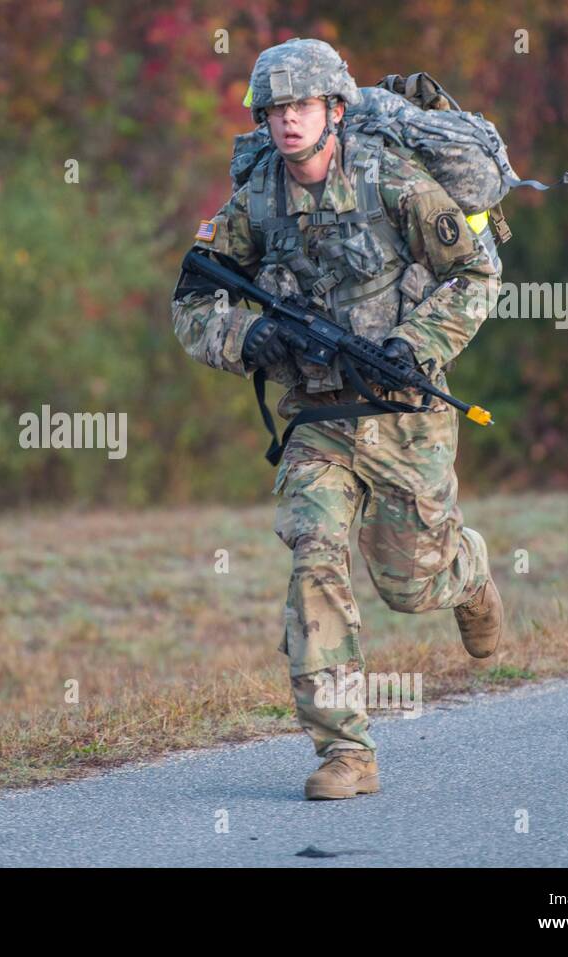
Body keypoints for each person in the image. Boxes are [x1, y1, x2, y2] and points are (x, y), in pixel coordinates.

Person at [170, 38, 504, 800]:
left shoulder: (393, 179)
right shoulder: (256, 200)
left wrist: (412, 344)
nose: (287, 122)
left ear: (335, 110)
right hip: (317, 418)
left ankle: (469, 571)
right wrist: (249, 337)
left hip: (404, 412)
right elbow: (190, 300)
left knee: (408, 584)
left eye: (301, 106)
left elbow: (478, 272)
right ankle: (345, 751)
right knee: (314, 560)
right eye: (275, 110)